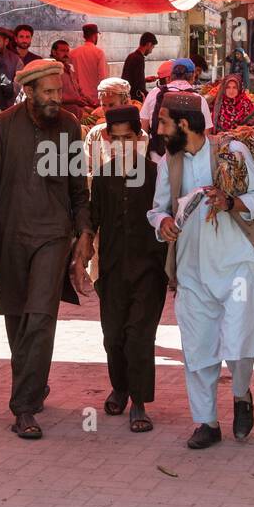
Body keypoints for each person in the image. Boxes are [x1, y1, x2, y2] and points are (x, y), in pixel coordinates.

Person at [0, 59, 94, 441]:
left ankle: (23, 408)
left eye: (60, 91)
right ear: (29, 91)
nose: (57, 98)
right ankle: (34, 384)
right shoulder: (4, 127)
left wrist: (84, 235)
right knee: (16, 320)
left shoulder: (70, 127)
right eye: (49, 92)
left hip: (52, 237)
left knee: (40, 317)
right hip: (10, 237)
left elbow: (78, 188)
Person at [148, 92, 254, 449]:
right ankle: (206, 422)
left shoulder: (232, 152)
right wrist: (164, 222)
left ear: (184, 125)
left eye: (163, 123)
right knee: (198, 346)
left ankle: (241, 393)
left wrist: (231, 202)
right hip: (191, 269)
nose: (158, 130)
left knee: (237, 341)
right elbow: (156, 210)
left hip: (237, 264)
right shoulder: (168, 163)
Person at [89, 106, 167, 434]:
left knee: (139, 336)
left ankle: (138, 401)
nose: (122, 145)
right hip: (111, 269)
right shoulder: (103, 177)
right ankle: (119, 387)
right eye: (115, 139)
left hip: (150, 269)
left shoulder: (156, 174)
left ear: (140, 138)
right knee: (113, 337)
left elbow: (169, 216)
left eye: (128, 139)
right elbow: (93, 221)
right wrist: (81, 258)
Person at [140, 57, 213, 156]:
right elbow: (205, 134)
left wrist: (142, 161)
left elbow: (143, 128)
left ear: (171, 76)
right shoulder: (199, 99)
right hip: (187, 158)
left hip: (158, 156)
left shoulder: (154, 93)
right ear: (193, 76)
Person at [51, 39, 95, 120]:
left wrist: (87, 99)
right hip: (62, 117)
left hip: (76, 115)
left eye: (67, 51)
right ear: (54, 52)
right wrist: (74, 100)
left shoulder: (70, 70)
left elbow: (78, 90)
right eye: (62, 51)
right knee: (64, 133)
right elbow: (52, 97)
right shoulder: (52, 71)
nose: (66, 54)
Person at [70, 23, 109, 105]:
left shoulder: (73, 53)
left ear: (84, 36)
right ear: (95, 35)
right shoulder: (98, 53)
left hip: (79, 98)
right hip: (95, 99)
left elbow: (71, 75)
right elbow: (103, 78)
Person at [121, 32, 156, 102]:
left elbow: (132, 78)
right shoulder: (139, 59)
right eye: (152, 47)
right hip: (135, 99)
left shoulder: (131, 56)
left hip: (127, 95)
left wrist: (145, 80)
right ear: (148, 44)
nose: (151, 51)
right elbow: (139, 86)